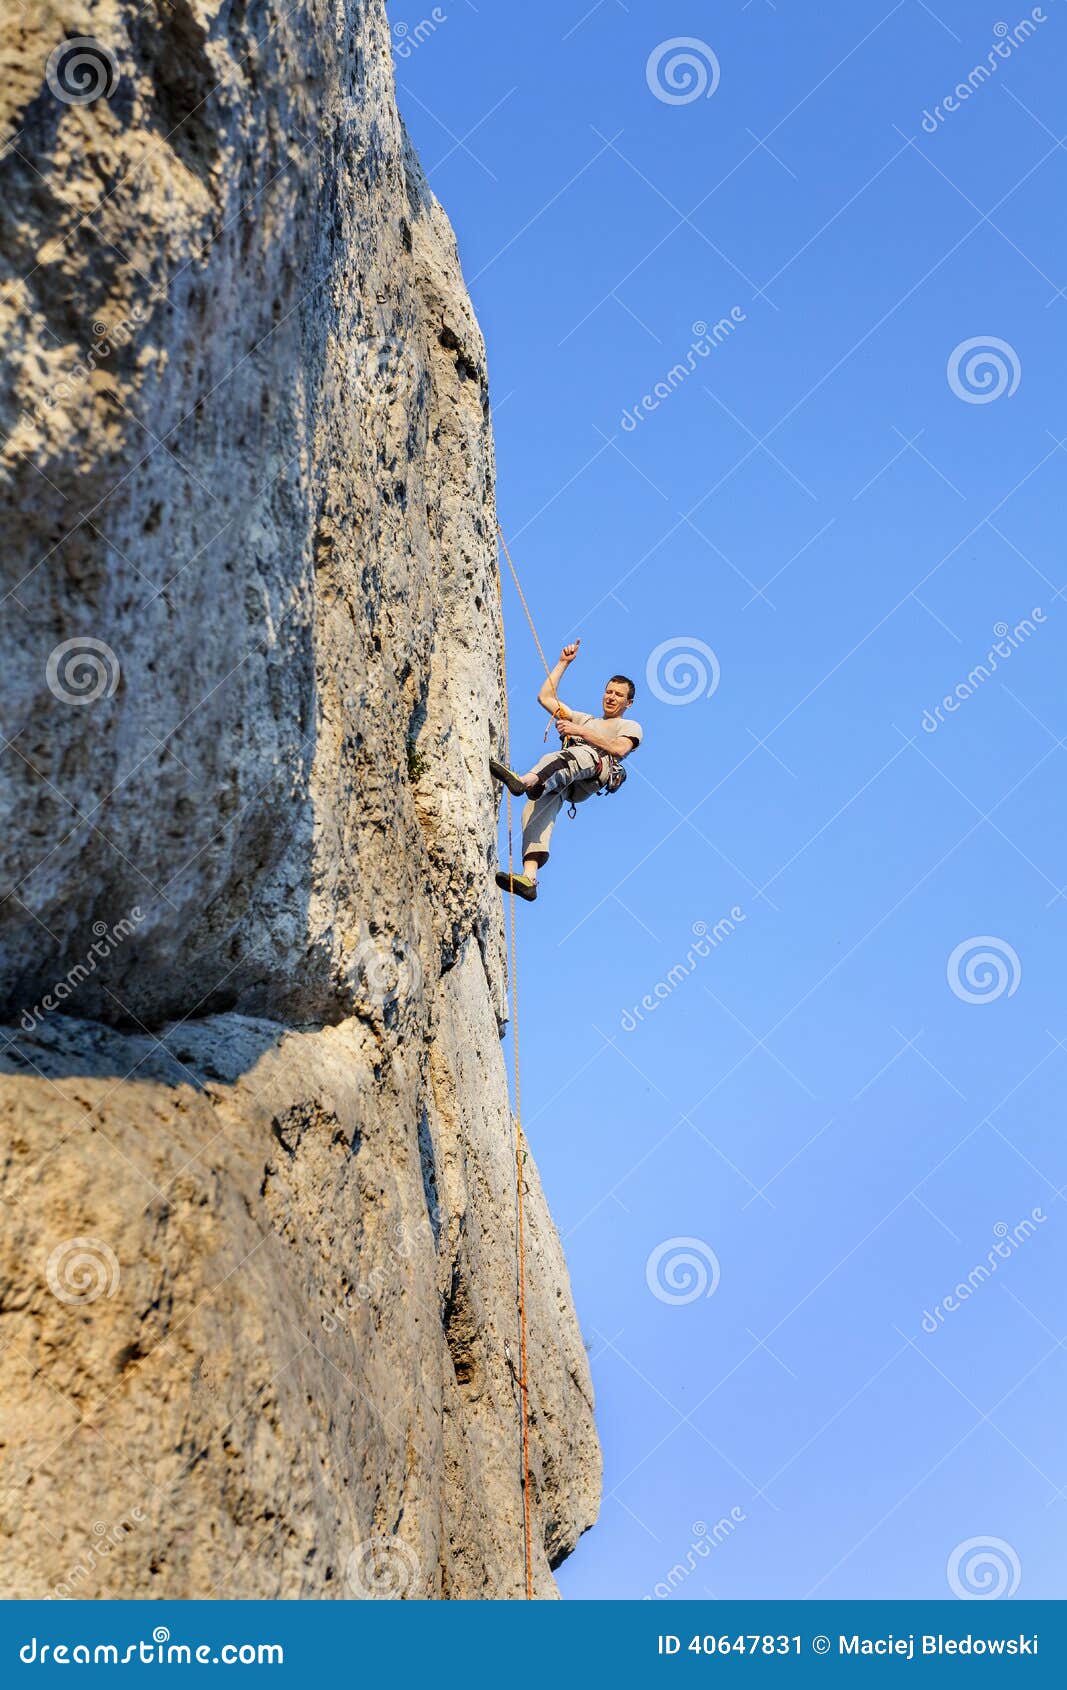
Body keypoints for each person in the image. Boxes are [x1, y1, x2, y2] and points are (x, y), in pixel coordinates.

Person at [490, 640, 643, 902]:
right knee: (537, 807)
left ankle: (525, 780)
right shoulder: (585, 718)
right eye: (608, 691)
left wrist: (580, 732)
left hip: (594, 767)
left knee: (574, 755)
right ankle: (529, 879)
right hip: (568, 780)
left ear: (629, 702)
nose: (610, 697)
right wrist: (563, 663)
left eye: (618, 695)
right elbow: (545, 698)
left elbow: (618, 749)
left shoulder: (629, 725)